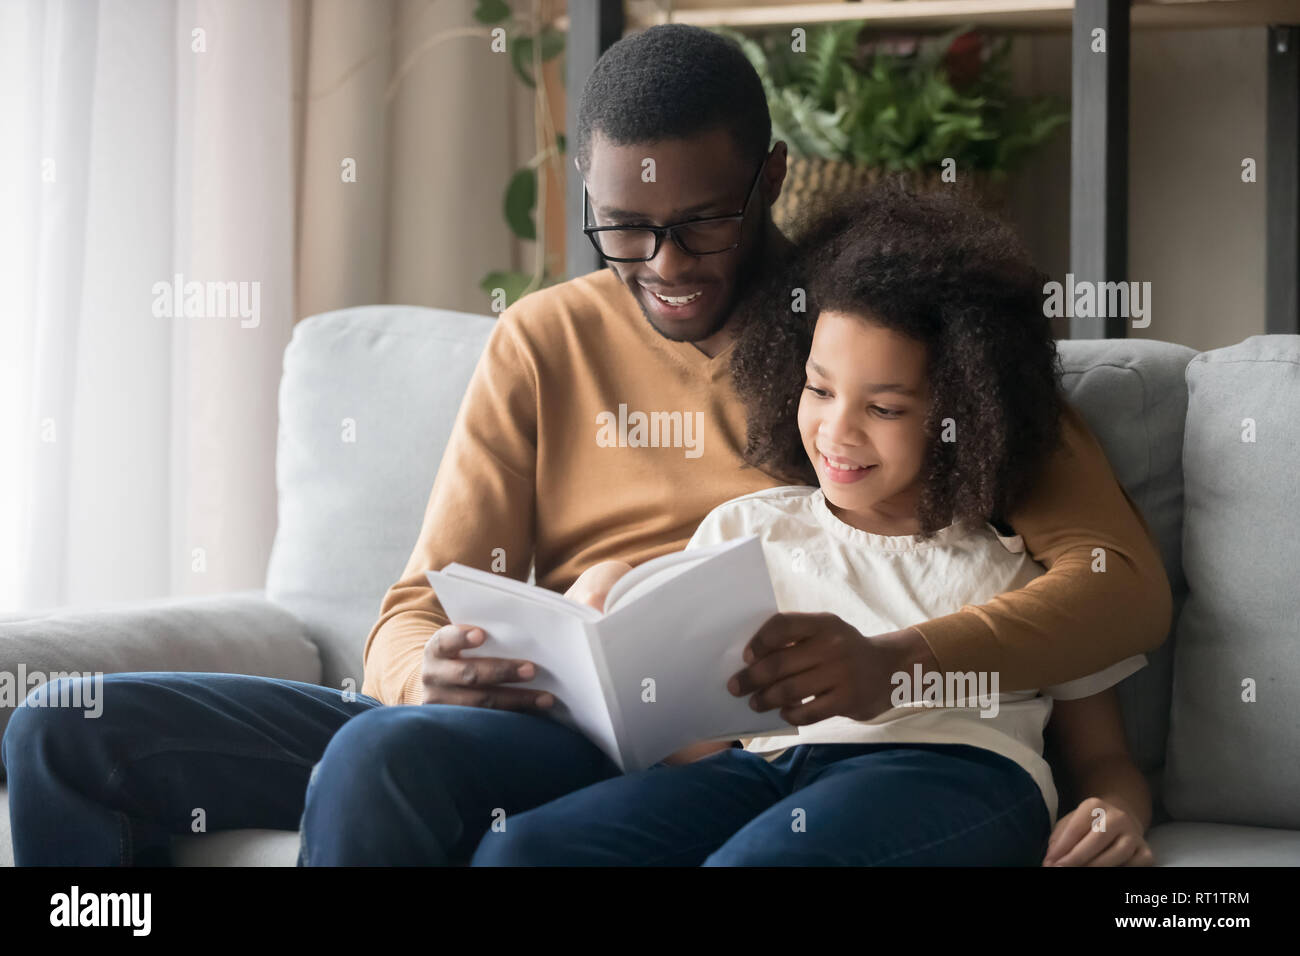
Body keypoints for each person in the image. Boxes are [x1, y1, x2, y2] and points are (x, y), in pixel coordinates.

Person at [1, 24, 1168, 866]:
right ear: (586, 194)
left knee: (386, 763)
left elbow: (1115, 594)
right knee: (65, 726)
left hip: (707, 744)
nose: (662, 263)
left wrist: (893, 663)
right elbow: (410, 609)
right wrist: (431, 668)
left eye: (700, 221)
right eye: (624, 227)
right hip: (514, 717)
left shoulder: (882, 338)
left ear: (766, 182)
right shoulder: (544, 338)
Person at [471, 182, 1155, 866]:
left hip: (953, 771)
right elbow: (696, 745)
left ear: (965, 419)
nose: (837, 431)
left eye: (884, 409)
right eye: (820, 389)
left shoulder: (1016, 567)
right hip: (764, 774)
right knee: (524, 848)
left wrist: (1116, 811)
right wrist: (605, 612)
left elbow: (1104, 757)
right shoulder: (746, 531)